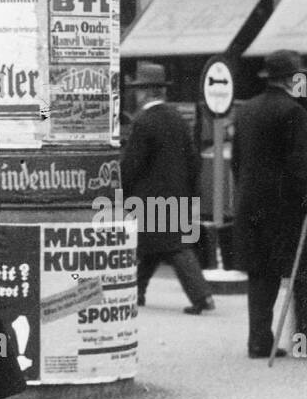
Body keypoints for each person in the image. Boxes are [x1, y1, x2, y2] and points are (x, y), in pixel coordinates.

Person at [122, 62, 214, 315]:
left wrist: (122, 188)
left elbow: (132, 164)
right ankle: (135, 292)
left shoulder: (143, 122)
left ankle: (201, 296)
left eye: (138, 90)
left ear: (145, 92)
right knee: (152, 247)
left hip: (149, 199)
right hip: (178, 196)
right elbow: (194, 160)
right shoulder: (177, 119)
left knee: (171, 248)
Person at [231, 49, 307, 358]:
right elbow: (300, 165)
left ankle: (259, 341)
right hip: (285, 209)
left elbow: (236, 161)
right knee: (301, 274)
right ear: (293, 78)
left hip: (250, 206)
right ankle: (302, 341)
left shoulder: (245, 110)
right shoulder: (295, 113)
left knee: (260, 274)